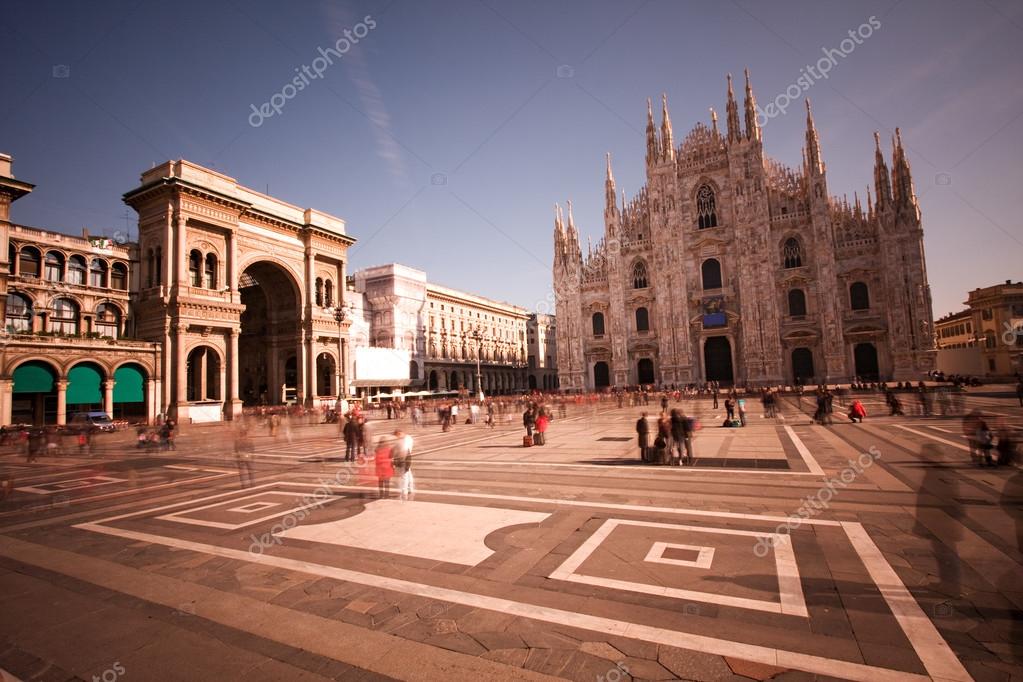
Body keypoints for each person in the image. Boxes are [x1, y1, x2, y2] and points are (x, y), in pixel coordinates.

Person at [393, 429, 415, 501]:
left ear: (400, 433)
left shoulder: (405, 440)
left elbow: (403, 452)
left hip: (404, 460)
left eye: (397, 435)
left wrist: (397, 462)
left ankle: (404, 491)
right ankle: (410, 489)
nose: (397, 437)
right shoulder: (407, 438)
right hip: (407, 458)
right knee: (408, 474)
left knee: (404, 476)